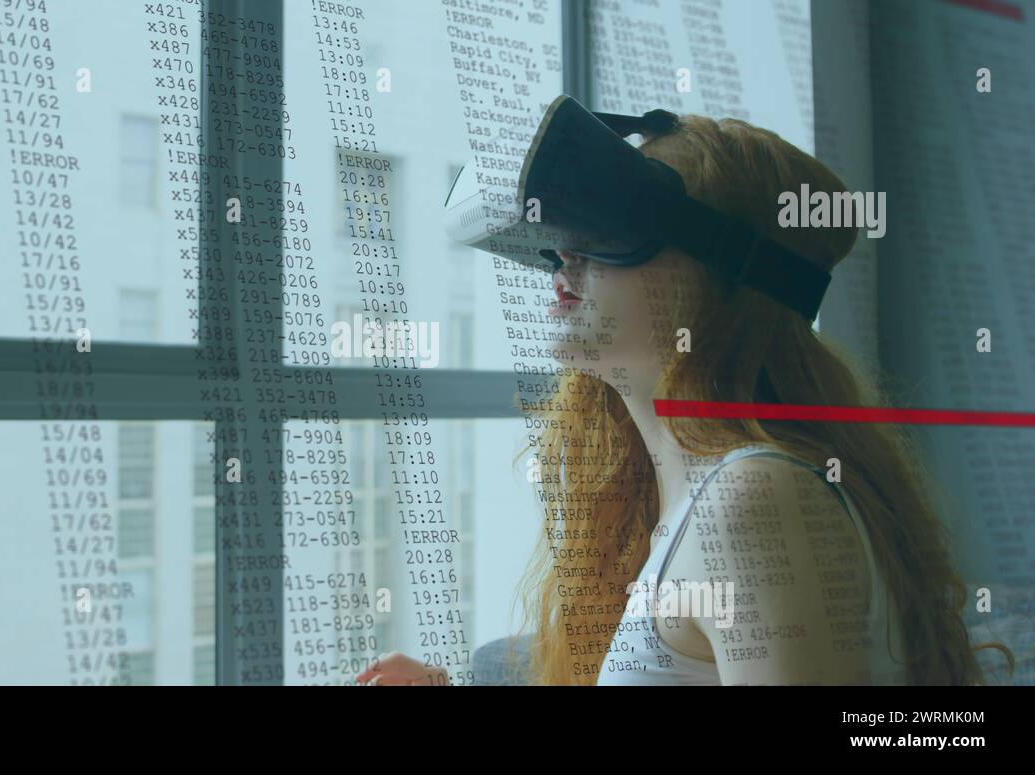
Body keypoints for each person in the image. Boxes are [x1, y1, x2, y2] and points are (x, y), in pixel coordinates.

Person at [357, 114, 1011, 686]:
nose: (564, 255)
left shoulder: (753, 497)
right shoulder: (689, 495)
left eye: (609, 227)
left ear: (723, 278)